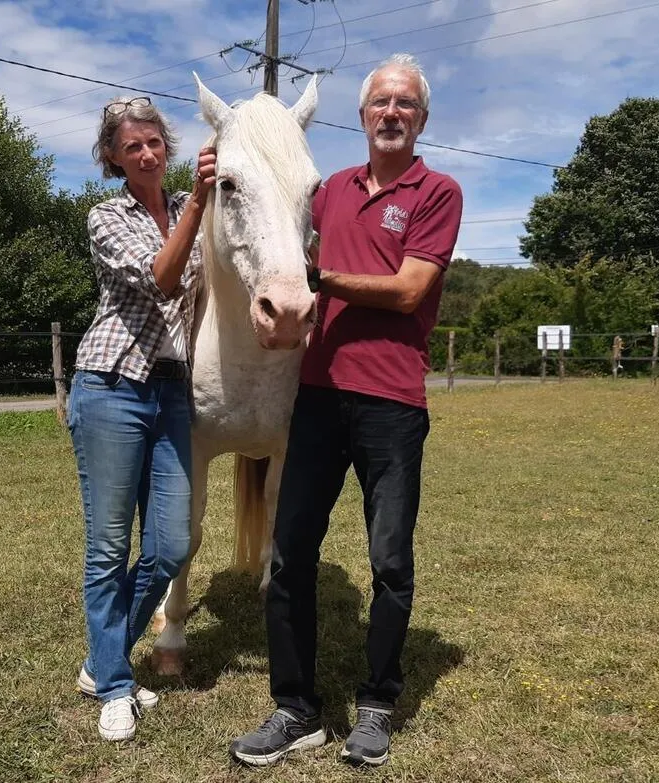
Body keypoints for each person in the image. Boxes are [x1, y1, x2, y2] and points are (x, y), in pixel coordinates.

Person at [229, 53, 463, 767]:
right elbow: (269, 227)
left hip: (392, 402)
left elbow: (406, 290)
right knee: (291, 551)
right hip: (320, 397)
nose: (392, 113)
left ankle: (376, 703)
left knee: (390, 559)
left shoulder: (437, 191)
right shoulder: (326, 191)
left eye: (405, 105)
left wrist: (318, 274)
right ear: (361, 116)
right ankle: (296, 707)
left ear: (421, 119)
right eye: (380, 103)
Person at [68, 95, 215, 742]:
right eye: (133, 147)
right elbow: (161, 276)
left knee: (172, 544)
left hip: (172, 391)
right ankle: (117, 684)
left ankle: (101, 663)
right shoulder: (107, 216)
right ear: (113, 158)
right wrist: (202, 208)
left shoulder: (190, 206)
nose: (148, 153)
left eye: (154, 142)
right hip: (110, 388)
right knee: (107, 550)